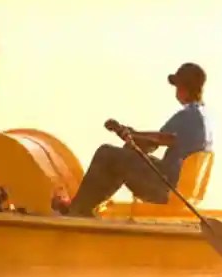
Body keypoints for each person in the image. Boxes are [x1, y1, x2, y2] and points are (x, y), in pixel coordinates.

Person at [58, 62, 213, 217]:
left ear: (184, 88)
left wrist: (132, 135)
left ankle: (79, 208)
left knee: (106, 153)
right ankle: (86, 206)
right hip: (179, 187)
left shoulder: (188, 115)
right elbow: (154, 143)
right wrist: (134, 138)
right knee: (123, 156)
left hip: (167, 188)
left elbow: (160, 139)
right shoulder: (202, 116)